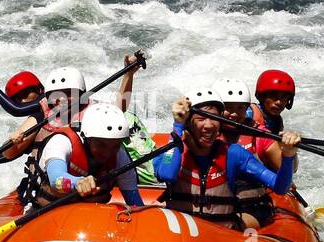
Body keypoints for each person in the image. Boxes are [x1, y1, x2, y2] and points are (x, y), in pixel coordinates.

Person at [154, 86, 300, 230]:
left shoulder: (234, 153)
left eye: (214, 119)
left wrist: (288, 155)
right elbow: (167, 174)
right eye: (201, 119)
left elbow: (281, 187)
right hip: (181, 235)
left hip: (223, 239)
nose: (209, 125)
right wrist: (178, 126)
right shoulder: (172, 150)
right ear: (188, 123)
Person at [20, 102, 145, 209]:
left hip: (88, 218)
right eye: (101, 145)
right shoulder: (62, 142)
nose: (108, 153)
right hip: (44, 212)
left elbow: (134, 201)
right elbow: (56, 180)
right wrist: (78, 182)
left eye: (115, 146)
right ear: (87, 138)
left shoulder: (120, 155)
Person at [90, 90, 159, 186]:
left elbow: (122, 105)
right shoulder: (104, 128)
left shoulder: (129, 117)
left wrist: (129, 75)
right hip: (154, 176)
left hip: (156, 161)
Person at [251, 69, 297, 171]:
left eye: (284, 98)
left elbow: (293, 169)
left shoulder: (276, 121)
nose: (279, 102)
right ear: (262, 96)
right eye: (274, 97)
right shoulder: (249, 114)